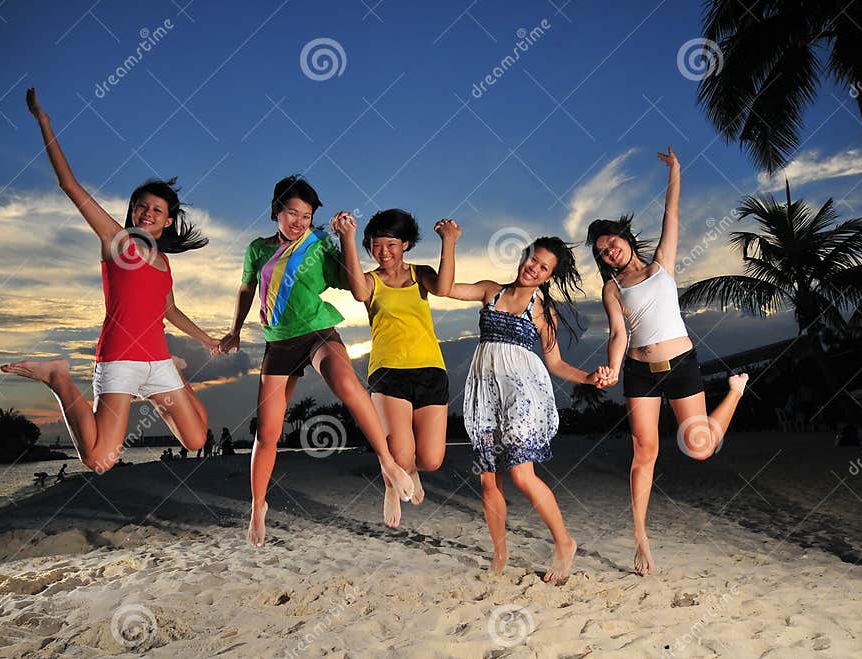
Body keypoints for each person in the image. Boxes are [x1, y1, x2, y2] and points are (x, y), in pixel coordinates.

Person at [0, 88, 217, 473]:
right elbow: (70, 185)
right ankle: (58, 376)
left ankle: (176, 373)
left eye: (157, 209)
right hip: (119, 358)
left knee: (197, 439)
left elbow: (169, 310)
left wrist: (205, 339)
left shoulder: (165, 263)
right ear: (132, 211)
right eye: (142, 206)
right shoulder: (117, 242)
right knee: (100, 460)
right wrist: (45, 123)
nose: (148, 213)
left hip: (159, 361)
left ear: (168, 220)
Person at [219, 175, 416, 547]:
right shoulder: (257, 250)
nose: (299, 222)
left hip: (318, 331)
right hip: (278, 341)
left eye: (307, 216)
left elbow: (349, 280)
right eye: (292, 213)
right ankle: (258, 507)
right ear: (276, 211)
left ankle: (388, 464)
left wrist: (345, 238)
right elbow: (247, 289)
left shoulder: (317, 244)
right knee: (268, 434)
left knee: (347, 384)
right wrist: (234, 330)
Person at [586, 147, 749, 576]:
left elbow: (671, 215)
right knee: (645, 451)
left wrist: (676, 170)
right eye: (602, 252)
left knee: (700, 448)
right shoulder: (612, 289)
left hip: (680, 365)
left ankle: (734, 393)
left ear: (625, 237)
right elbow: (619, 335)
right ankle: (640, 536)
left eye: (612, 243)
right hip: (640, 374)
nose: (610, 252)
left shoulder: (661, 265)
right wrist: (614, 369)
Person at [448, 236, 610, 582]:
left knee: (522, 474)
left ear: (549, 276)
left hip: (523, 391)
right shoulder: (491, 291)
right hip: (486, 392)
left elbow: (556, 362)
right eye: (532, 260)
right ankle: (500, 553)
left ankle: (564, 542)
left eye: (543, 267)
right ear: (525, 256)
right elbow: (445, 287)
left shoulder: (540, 310)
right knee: (488, 480)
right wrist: (449, 242)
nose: (533, 268)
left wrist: (589, 377)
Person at [332, 209, 460, 528]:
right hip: (389, 373)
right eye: (376, 245)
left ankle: (409, 472)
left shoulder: (421, 275)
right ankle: (390, 483)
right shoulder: (372, 281)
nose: (383, 252)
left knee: (430, 460)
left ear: (405, 244)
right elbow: (358, 291)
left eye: (391, 244)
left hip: (431, 370)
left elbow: (444, 288)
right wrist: (347, 236)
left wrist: (449, 241)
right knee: (400, 458)